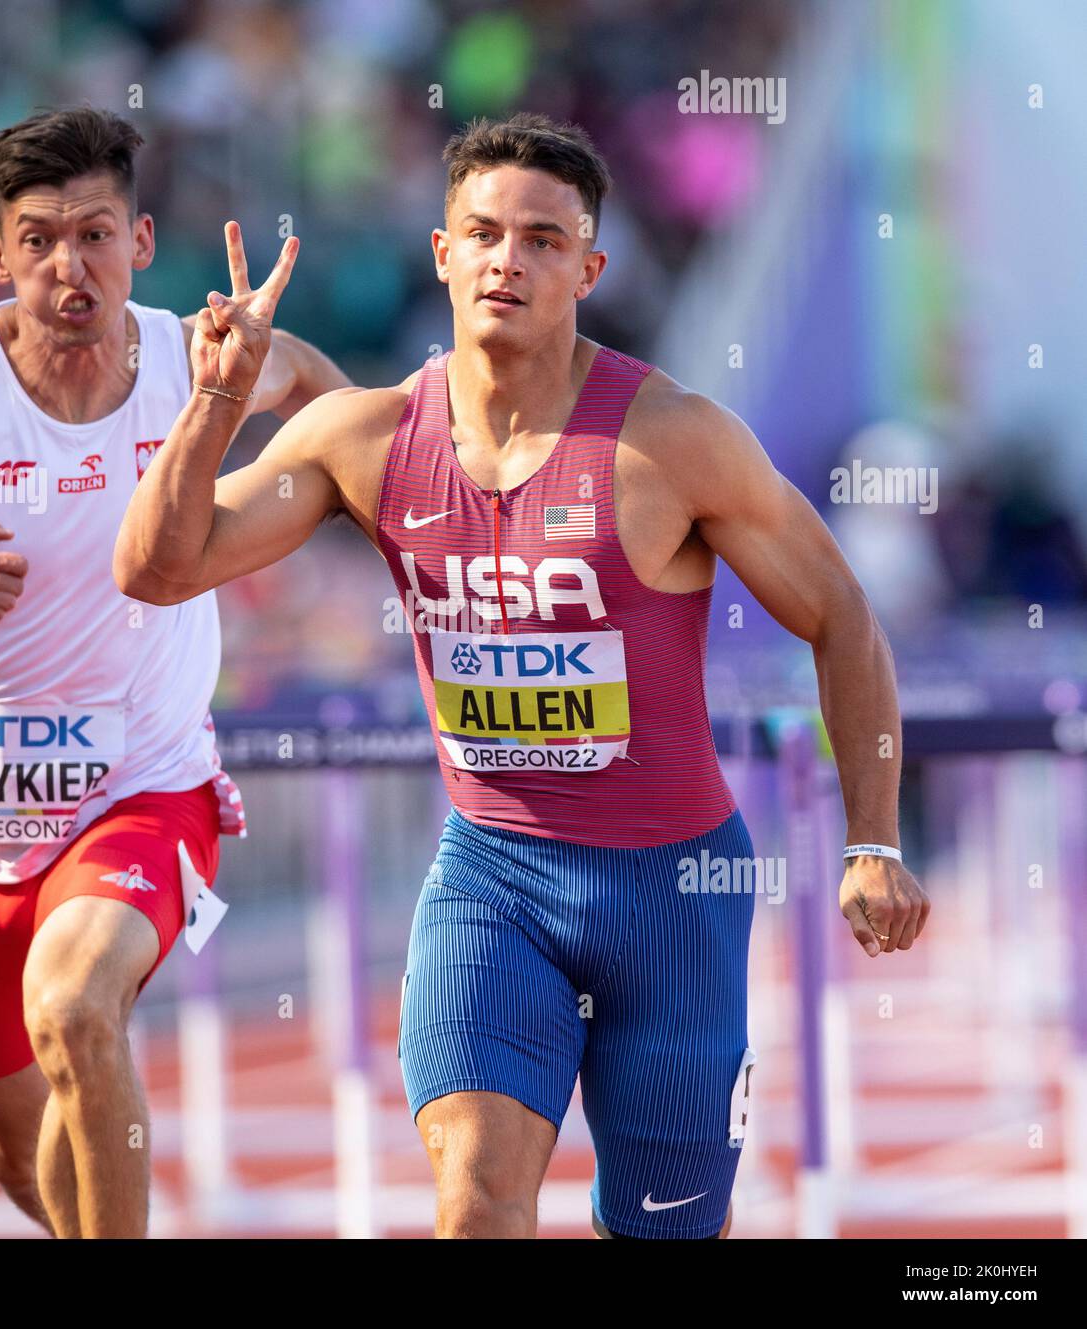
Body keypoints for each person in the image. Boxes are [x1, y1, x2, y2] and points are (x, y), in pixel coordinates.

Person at [114, 111, 929, 1240]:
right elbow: (157, 568)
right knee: (478, 1197)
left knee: (665, 1230)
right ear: (443, 253)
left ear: (588, 269)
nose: (510, 259)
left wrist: (873, 841)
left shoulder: (672, 441)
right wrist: (212, 405)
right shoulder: (364, 436)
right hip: (492, 881)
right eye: (484, 233)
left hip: (671, 901)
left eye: (544, 240)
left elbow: (841, 615)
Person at [0, 107, 347, 1238]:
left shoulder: (199, 357)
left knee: (77, 1005)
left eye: (94, 233)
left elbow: (344, 419)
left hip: (139, 792)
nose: (67, 264)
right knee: (20, 1162)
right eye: (36, 237)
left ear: (140, 244)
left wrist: (392, 540)